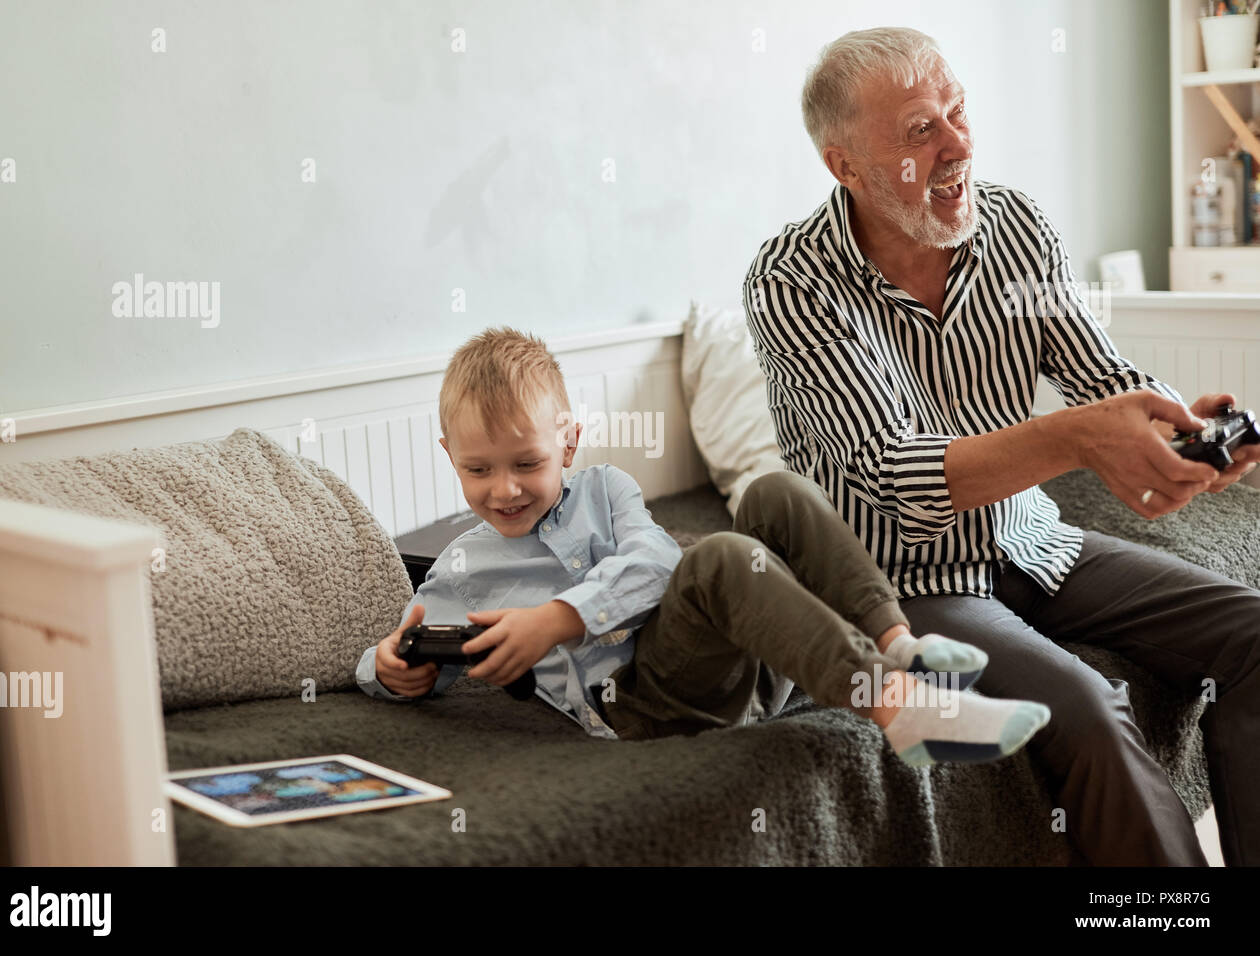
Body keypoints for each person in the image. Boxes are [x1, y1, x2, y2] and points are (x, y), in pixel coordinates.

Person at [742, 25, 1260, 865]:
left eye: (958, 112)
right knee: (1090, 710)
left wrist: (1181, 428)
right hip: (896, 581)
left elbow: (1102, 376)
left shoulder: (1014, 227)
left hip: (1033, 541)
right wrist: (1079, 439)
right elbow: (895, 474)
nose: (957, 145)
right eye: (920, 130)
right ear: (845, 167)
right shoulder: (793, 281)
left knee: (1253, 631)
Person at [355, 326, 1050, 766]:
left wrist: (558, 618)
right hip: (641, 704)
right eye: (478, 470)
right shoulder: (463, 568)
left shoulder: (607, 489)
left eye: (526, 463)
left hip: (736, 668)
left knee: (771, 495)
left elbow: (657, 562)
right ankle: (907, 709)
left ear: (567, 440)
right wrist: (392, 670)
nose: (503, 490)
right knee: (719, 558)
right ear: (449, 457)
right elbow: (407, 650)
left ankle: (896, 643)